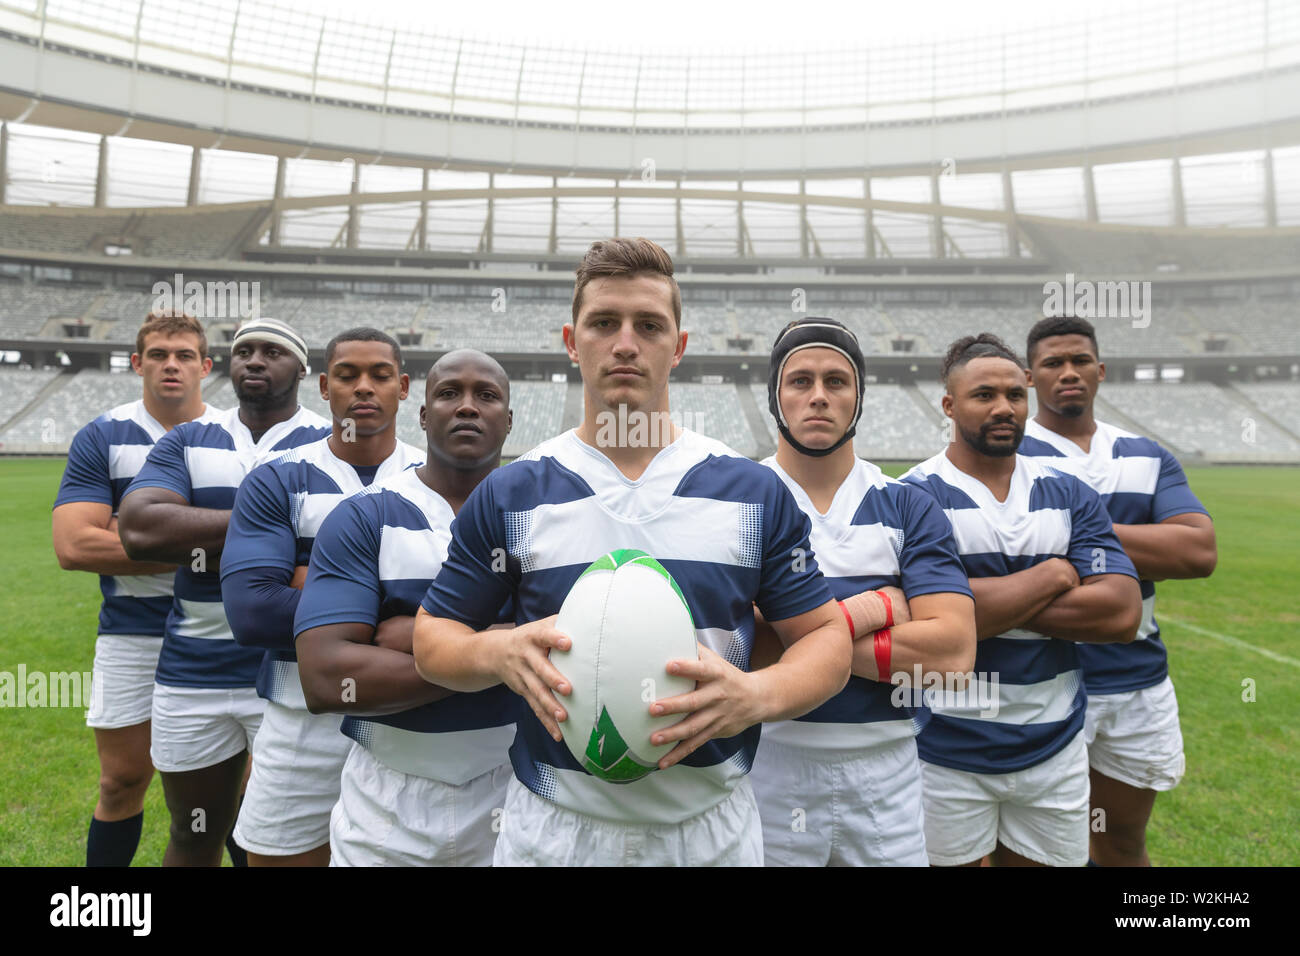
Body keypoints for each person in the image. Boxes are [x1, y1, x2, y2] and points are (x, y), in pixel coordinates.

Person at [412, 237, 851, 866]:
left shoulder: (752, 492)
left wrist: (760, 696)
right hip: (554, 830)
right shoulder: (513, 492)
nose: (625, 343)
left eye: (649, 325)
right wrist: (496, 650)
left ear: (679, 346)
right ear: (572, 340)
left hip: (710, 829)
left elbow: (825, 638)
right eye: (603, 323)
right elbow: (433, 641)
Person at [901, 333, 1142, 868]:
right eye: (983, 395)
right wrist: (1055, 573)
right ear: (949, 405)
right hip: (943, 752)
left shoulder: (1068, 491)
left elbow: (1121, 613)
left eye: (1015, 394)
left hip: (1053, 748)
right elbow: (928, 628)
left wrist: (973, 601)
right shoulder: (912, 497)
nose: (1004, 407)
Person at [746, 317, 976, 866]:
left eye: (836, 381)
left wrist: (794, 635)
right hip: (767, 764)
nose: (819, 396)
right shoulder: (738, 501)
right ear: (775, 397)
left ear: (859, 397)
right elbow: (729, 649)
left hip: (888, 774)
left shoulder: (907, 505)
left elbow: (952, 656)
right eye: (800, 381)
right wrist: (872, 609)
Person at [117, 318, 329, 867]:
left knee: (289, 844)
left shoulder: (329, 446)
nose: (255, 361)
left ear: (302, 369)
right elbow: (140, 531)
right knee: (194, 834)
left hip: (291, 675)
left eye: (273, 352)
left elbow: (337, 557)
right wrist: (268, 530)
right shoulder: (188, 438)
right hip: (193, 672)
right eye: (244, 351)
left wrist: (198, 526)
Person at [294, 350, 518, 866]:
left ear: (508, 420)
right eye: (447, 394)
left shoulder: (543, 519)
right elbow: (327, 679)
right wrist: (506, 649)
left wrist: (415, 640)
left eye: (485, 395)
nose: (466, 406)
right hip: (386, 798)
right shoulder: (363, 515)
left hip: (516, 793)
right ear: (422, 414)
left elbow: (570, 647)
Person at [219, 328, 423, 867]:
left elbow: (479, 606)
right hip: (299, 719)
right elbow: (253, 611)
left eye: (380, 375)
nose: (364, 388)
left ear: (403, 387)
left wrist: (318, 584)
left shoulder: (438, 476)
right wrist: (398, 609)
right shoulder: (276, 477)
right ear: (325, 387)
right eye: (349, 376)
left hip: (409, 724)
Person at [1020, 316, 1216, 867]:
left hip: (1137, 680)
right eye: (1053, 363)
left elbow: (1197, 552)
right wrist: (1142, 536)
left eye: (1080, 360)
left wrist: (1075, 528)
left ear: (1100, 371)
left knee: (1122, 842)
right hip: (1041, 676)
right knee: (1035, 849)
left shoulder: (1146, 455)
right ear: (1031, 377)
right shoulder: (1011, 454)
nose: (1069, 372)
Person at [52, 311, 219, 866]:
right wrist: (206, 547)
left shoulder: (232, 435)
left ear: (205, 366)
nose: (171, 365)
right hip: (132, 632)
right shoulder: (103, 434)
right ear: (137, 363)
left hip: (221, 632)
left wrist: (135, 537)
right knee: (122, 781)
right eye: (158, 355)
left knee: (235, 793)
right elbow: (75, 546)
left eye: (184, 355)